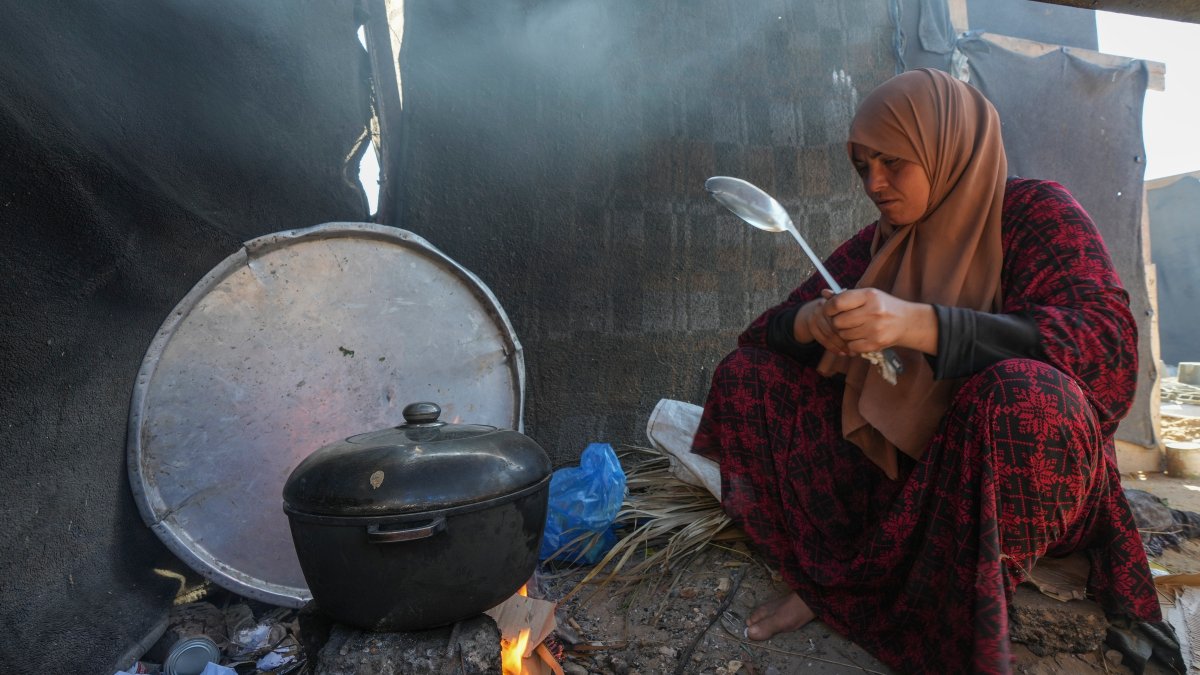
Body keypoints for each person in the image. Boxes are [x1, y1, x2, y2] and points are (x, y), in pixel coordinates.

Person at [691, 68, 1161, 674]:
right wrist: (813, 321)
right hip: (899, 487)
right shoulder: (880, 244)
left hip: (1019, 476)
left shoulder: (1033, 212)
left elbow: (1106, 348)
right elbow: (762, 338)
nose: (875, 184)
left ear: (947, 148)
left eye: (894, 162)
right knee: (747, 377)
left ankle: (848, 592)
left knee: (1023, 397)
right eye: (863, 167)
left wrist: (921, 326)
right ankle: (854, 576)